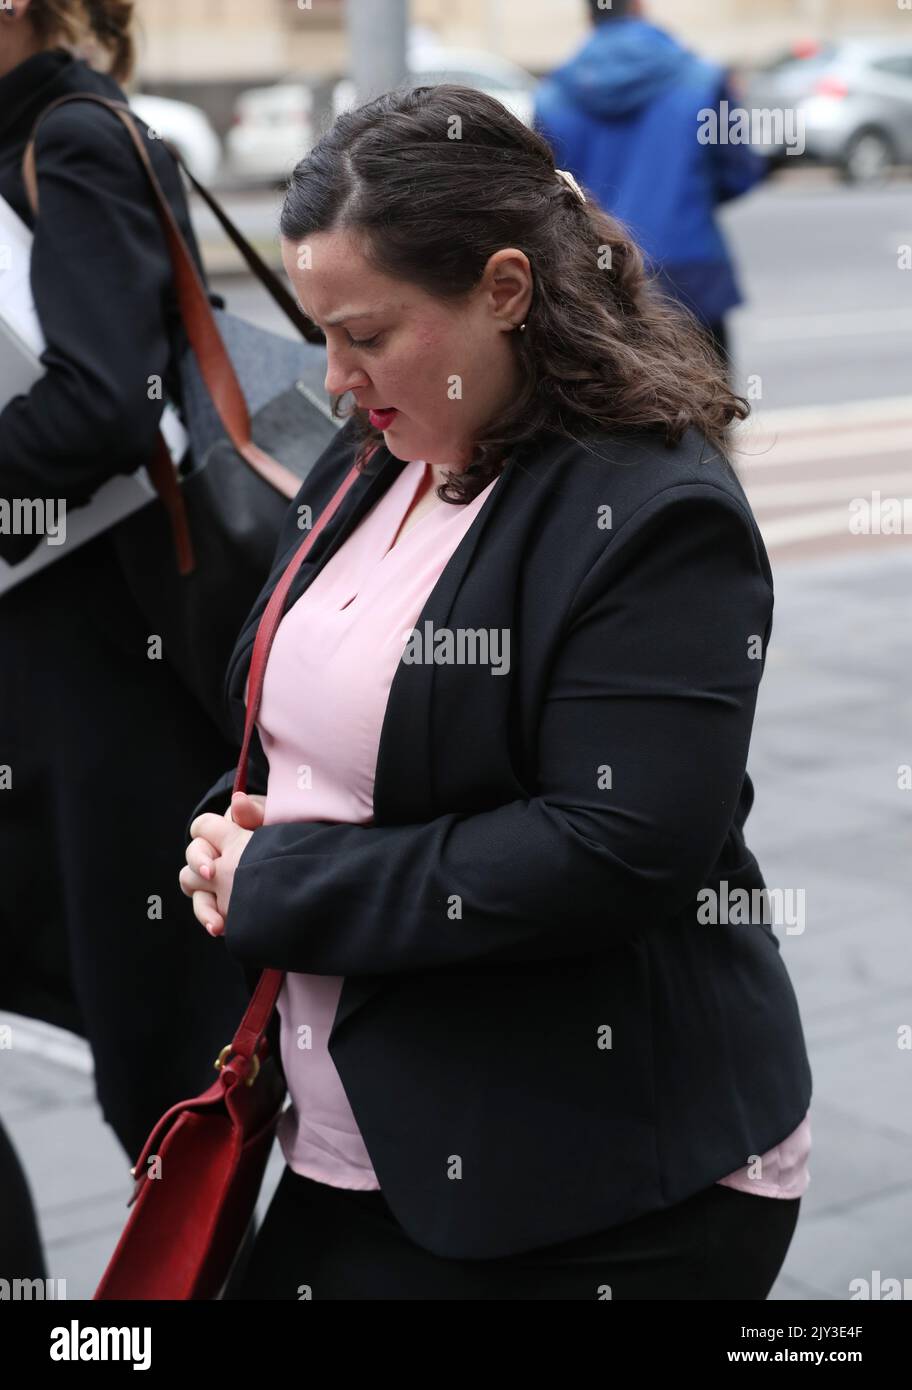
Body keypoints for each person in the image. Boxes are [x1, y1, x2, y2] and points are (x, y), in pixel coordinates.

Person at [181, 82, 813, 1301]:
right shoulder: (383, 446)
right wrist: (239, 822)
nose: (333, 378)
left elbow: (619, 843)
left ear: (506, 291)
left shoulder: (655, 509)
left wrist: (290, 883)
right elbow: (315, 709)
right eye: (322, 334)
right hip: (364, 1138)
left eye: (366, 334)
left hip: (595, 1175)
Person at [0, 0, 251, 1281]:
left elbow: (108, 401)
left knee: (158, 1067)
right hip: (38, 670)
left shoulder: (72, 137)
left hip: (100, 677)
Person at [533, 0, 768, 366]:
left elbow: (550, 200)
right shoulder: (701, 80)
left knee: (621, 414)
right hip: (691, 280)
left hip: (601, 285)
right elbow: (738, 174)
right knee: (708, 409)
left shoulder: (552, 97)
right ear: (639, 6)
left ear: (589, 12)